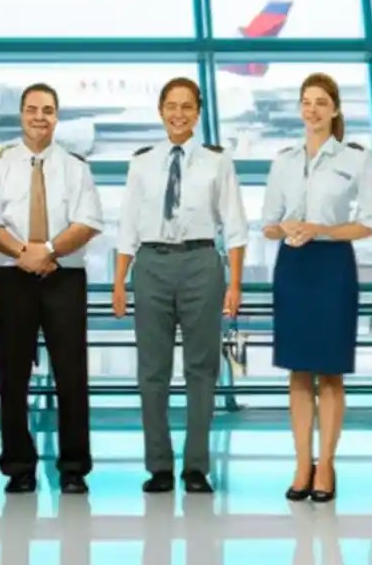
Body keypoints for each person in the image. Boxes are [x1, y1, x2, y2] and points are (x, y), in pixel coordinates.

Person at [113, 76, 247, 494]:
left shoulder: (217, 161)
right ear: (160, 110)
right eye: (171, 105)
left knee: (201, 370)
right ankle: (159, 467)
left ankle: (195, 468)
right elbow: (127, 226)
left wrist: (235, 284)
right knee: (151, 372)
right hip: (151, 264)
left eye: (187, 106)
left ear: (198, 112)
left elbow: (237, 226)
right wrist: (120, 281)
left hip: (202, 264)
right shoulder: (142, 161)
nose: (178, 113)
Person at [262, 72, 372, 504]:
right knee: (297, 371)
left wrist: (322, 229)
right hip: (292, 264)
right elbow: (268, 223)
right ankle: (301, 463)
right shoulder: (284, 159)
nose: (311, 110)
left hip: (332, 266)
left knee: (329, 371)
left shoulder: (356, 158)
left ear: (334, 110)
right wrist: (285, 227)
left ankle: (326, 464)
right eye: (306, 102)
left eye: (320, 102)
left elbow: (368, 222)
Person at [0, 83, 102, 495]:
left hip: (64, 277)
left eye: (48, 110)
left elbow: (87, 222)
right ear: (21, 114)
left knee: (72, 376)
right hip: (12, 277)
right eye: (32, 109)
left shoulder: (75, 166)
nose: (40, 117)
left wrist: (48, 250)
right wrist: (24, 253)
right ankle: (19, 466)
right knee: (11, 376)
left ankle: (73, 467)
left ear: (57, 117)